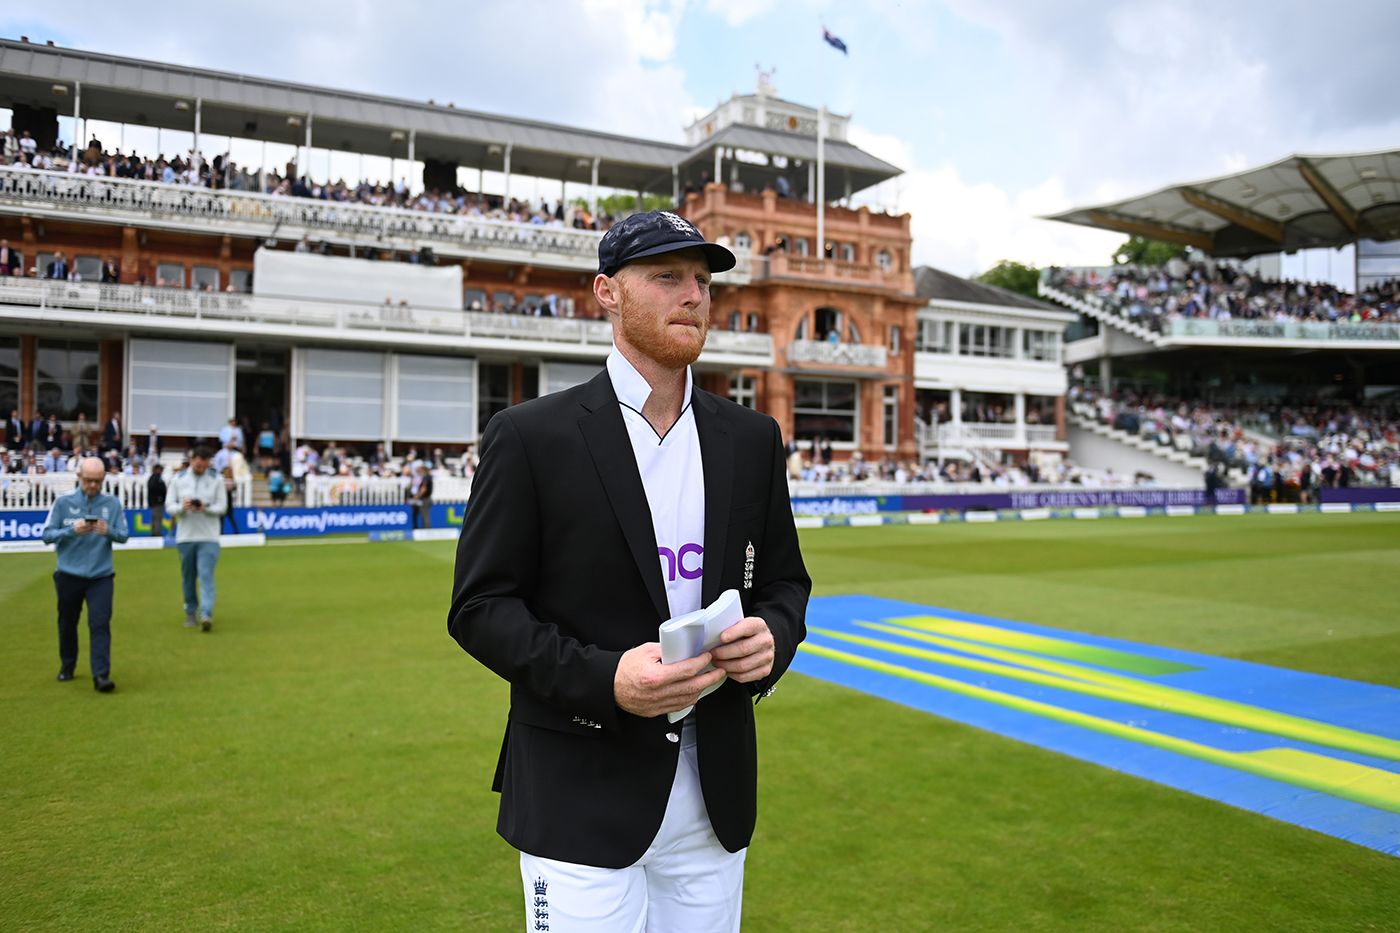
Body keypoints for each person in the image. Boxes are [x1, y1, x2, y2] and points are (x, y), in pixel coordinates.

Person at [448, 210, 810, 931]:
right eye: (668, 276)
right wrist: (607, 679)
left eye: (703, 281)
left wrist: (771, 636)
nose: (693, 296)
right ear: (606, 293)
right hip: (579, 795)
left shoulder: (752, 437)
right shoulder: (530, 436)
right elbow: (482, 606)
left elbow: (784, 584)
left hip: (715, 802)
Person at [41, 457, 129, 692]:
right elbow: (47, 534)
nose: (93, 486)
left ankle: (101, 675)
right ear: (79, 477)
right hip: (69, 574)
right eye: (89, 481)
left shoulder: (111, 504)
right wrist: (72, 531)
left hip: (101, 575)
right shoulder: (63, 502)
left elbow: (124, 535)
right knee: (67, 622)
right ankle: (67, 665)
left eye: (98, 481)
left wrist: (107, 531)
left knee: (100, 623)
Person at [165, 446, 227, 631]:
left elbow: (222, 507)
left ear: (208, 462)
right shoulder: (178, 480)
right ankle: (190, 611)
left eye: (204, 460)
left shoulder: (217, 480)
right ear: (191, 460)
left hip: (209, 536)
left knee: (206, 575)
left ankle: (206, 613)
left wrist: (205, 507)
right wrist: (182, 508)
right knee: (188, 577)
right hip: (186, 537)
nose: (200, 463)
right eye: (197, 459)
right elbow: (169, 506)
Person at [409, 463, 433, 529]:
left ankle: (426, 529)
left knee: (424, 515)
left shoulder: (426, 477)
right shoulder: (427, 476)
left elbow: (424, 488)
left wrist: (417, 496)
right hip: (425, 498)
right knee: (424, 514)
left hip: (425, 499)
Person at [148, 463, 168, 537]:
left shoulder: (153, 478)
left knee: (155, 517)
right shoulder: (156, 479)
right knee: (157, 518)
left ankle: (154, 532)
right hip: (157, 502)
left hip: (155, 502)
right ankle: (157, 533)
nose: (161, 471)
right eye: (160, 470)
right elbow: (156, 489)